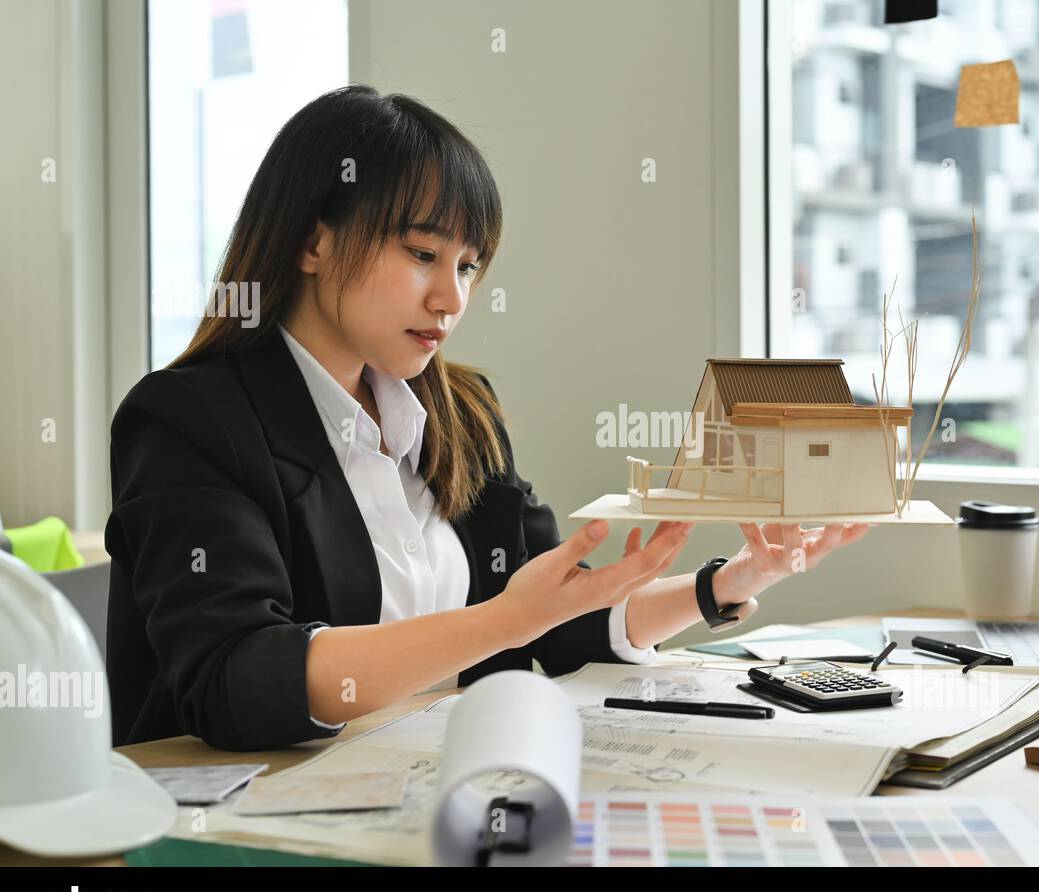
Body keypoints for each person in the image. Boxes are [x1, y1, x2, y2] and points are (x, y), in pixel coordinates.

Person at [106, 86, 868, 751]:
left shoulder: (458, 408)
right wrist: (501, 622)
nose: (452, 298)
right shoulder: (189, 421)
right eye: (421, 254)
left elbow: (560, 621)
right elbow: (238, 680)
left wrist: (731, 580)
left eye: (468, 265)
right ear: (313, 240)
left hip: (436, 788)